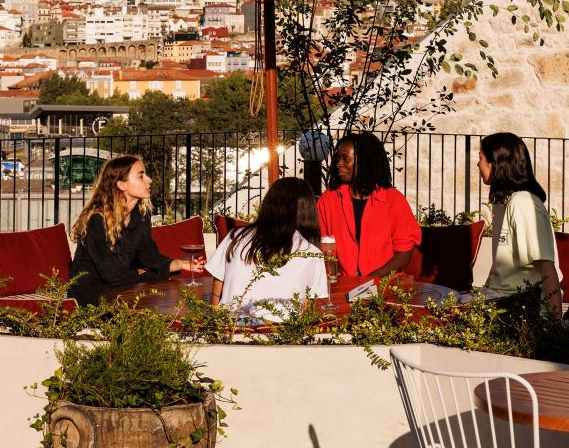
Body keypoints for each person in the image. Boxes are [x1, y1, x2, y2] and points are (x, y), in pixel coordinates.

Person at [67, 155, 203, 306]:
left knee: (168, 294)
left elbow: (149, 256)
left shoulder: (140, 215)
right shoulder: (97, 220)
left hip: (122, 287)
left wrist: (179, 264)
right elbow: (113, 275)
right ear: (122, 185)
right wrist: (144, 274)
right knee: (155, 293)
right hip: (91, 292)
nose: (149, 180)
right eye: (141, 176)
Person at [206, 177, 329, 320]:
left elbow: (216, 296)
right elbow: (306, 311)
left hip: (231, 327)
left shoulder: (235, 237)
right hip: (281, 331)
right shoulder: (312, 254)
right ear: (307, 212)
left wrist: (214, 323)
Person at [479, 132, 563, 318]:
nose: (478, 164)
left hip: (519, 308)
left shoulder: (523, 203)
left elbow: (547, 268)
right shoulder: (503, 203)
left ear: (495, 163)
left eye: (481, 157)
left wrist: (554, 325)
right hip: (498, 300)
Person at [317, 132, 421, 278]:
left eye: (346, 159)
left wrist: (374, 277)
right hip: (342, 284)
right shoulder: (328, 200)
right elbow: (319, 245)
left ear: (364, 161)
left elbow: (404, 254)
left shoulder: (394, 200)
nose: (339, 164)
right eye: (338, 158)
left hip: (385, 284)